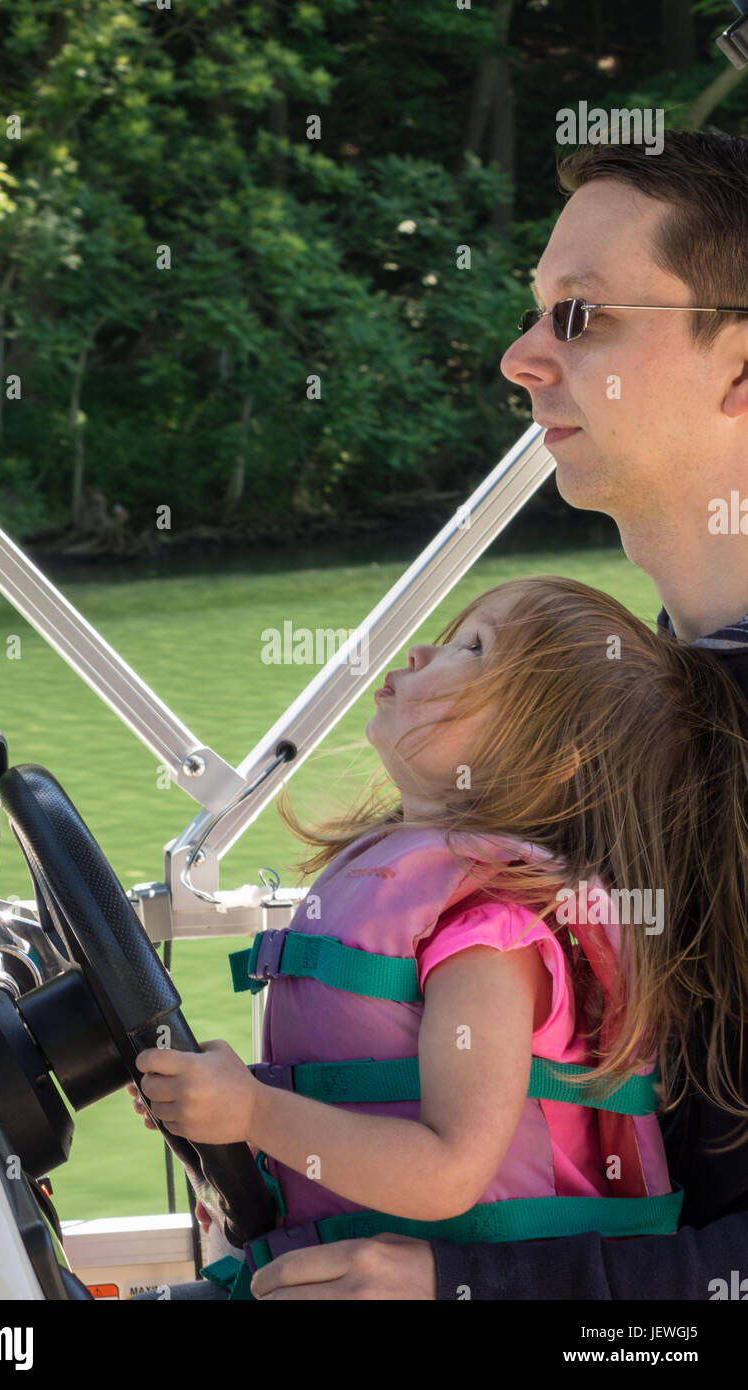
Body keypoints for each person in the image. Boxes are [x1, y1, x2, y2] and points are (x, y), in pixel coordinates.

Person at [230, 126, 748, 1302]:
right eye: (532, 312)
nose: (520, 356)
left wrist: (470, 1292)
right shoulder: (631, 704)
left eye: (582, 315)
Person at [130, 566, 748, 1300]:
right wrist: (213, 1106)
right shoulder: (417, 885)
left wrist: (255, 1112)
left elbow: (451, 1171)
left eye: (475, 649)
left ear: (553, 761)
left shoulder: (491, 932)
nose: (423, 652)